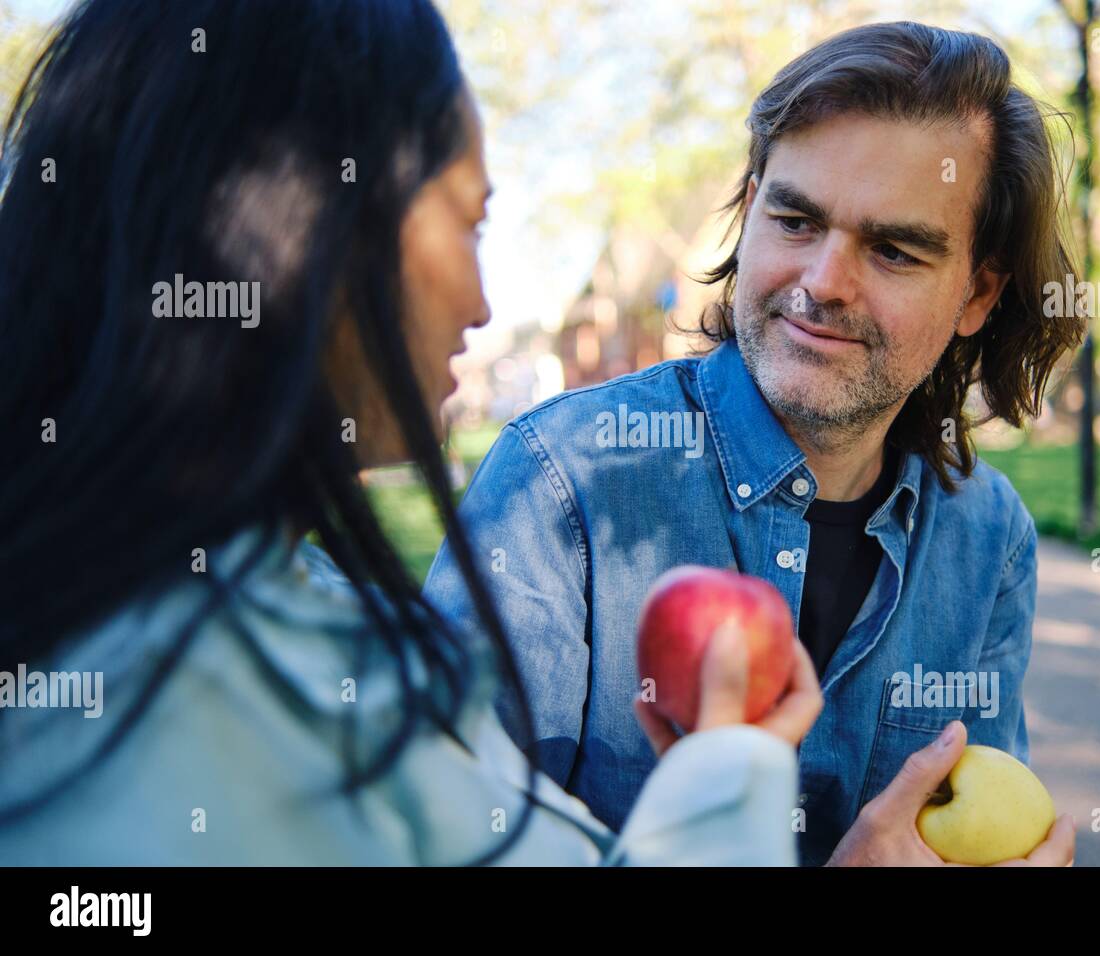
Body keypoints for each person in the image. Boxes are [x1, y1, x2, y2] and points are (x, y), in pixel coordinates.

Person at [0, 0, 824, 866]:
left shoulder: (252, 604)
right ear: (299, 228)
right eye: (469, 223)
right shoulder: (199, 707)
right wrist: (731, 791)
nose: (481, 305)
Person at [424, 22, 1085, 866]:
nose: (822, 284)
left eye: (893, 249)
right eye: (797, 220)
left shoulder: (989, 543)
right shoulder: (560, 487)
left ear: (977, 295)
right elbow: (445, 846)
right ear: (749, 212)